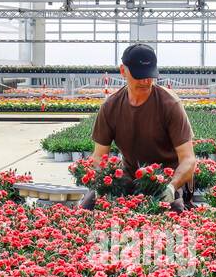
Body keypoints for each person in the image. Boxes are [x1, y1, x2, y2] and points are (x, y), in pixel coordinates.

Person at [82, 43, 196, 212]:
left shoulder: (170, 104)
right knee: (88, 206)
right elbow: (99, 156)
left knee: (174, 211)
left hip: (167, 178)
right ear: (123, 71)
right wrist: (101, 184)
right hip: (129, 177)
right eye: (139, 76)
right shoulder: (111, 106)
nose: (145, 81)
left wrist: (171, 187)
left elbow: (188, 159)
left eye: (149, 76)